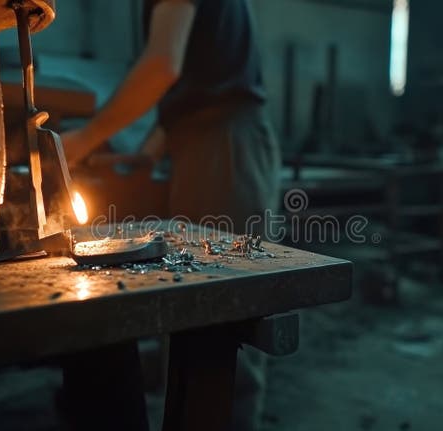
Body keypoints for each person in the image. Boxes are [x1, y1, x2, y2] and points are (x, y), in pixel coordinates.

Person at [62, 0, 281, 430]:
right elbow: (199, 77)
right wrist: (147, 155)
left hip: (224, 148)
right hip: (211, 142)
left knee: (225, 313)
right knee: (199, 308)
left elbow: (163, 64)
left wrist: (85, 139)